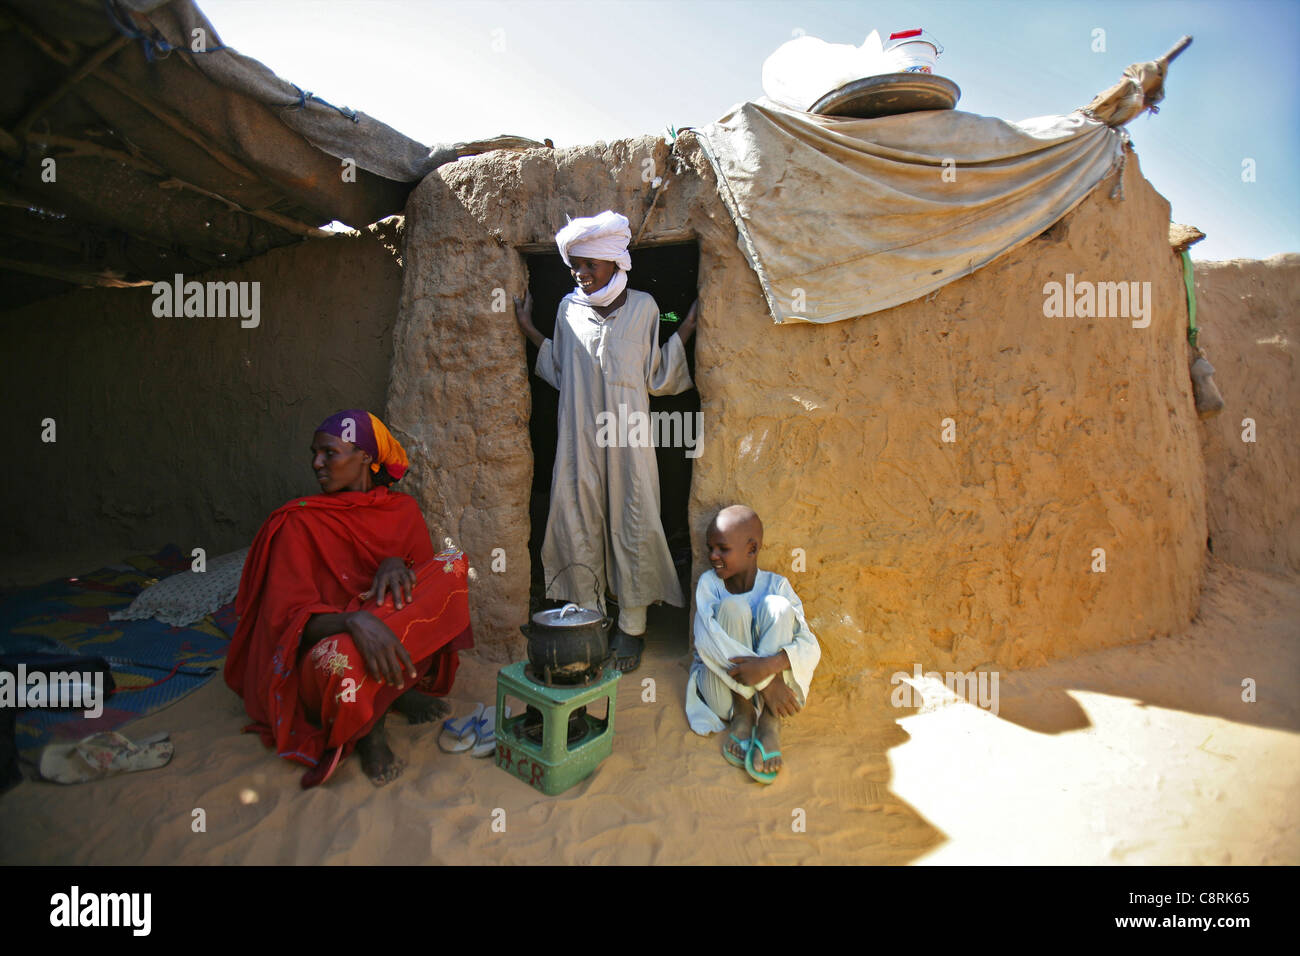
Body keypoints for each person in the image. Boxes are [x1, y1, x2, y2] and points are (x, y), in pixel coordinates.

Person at [224, 410, 473, 787]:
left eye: (329, 453)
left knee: (451, 566)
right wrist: (355, 621)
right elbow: (289, 622)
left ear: (366, 459)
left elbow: (418, 588)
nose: (316, 463)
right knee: (346, 655)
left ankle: (392, 694)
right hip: (327, 651)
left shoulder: (401, 511)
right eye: (315, 454)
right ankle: (370, 729)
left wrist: (394, 564)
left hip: (385, 631)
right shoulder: (298, 523)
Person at [513, 210, 697, 672]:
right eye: (575, 265)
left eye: (589, 264)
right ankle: (589, 620)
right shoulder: (567, 310)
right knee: (578, 519)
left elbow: (657, 375)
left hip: (630, 441)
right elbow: (560, 368)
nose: (580, 274)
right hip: (579, 442)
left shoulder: (645, 308)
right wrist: (529, 328)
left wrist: (689, 325)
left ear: (615, 262)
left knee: (633, 520)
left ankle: (632, 626)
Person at [686, 505, 820, 784]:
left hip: (770, 697)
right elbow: (707, 640)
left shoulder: (777, 585)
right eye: (710, 548)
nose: (713, 556)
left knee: (780, 608)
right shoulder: (710, 585)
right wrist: (768, 684)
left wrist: (771, 666)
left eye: (722, 549)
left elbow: (810, 645)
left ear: (752, 549)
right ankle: (744, 715)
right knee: (733, 609)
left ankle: (770, 721)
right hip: (725, 694)